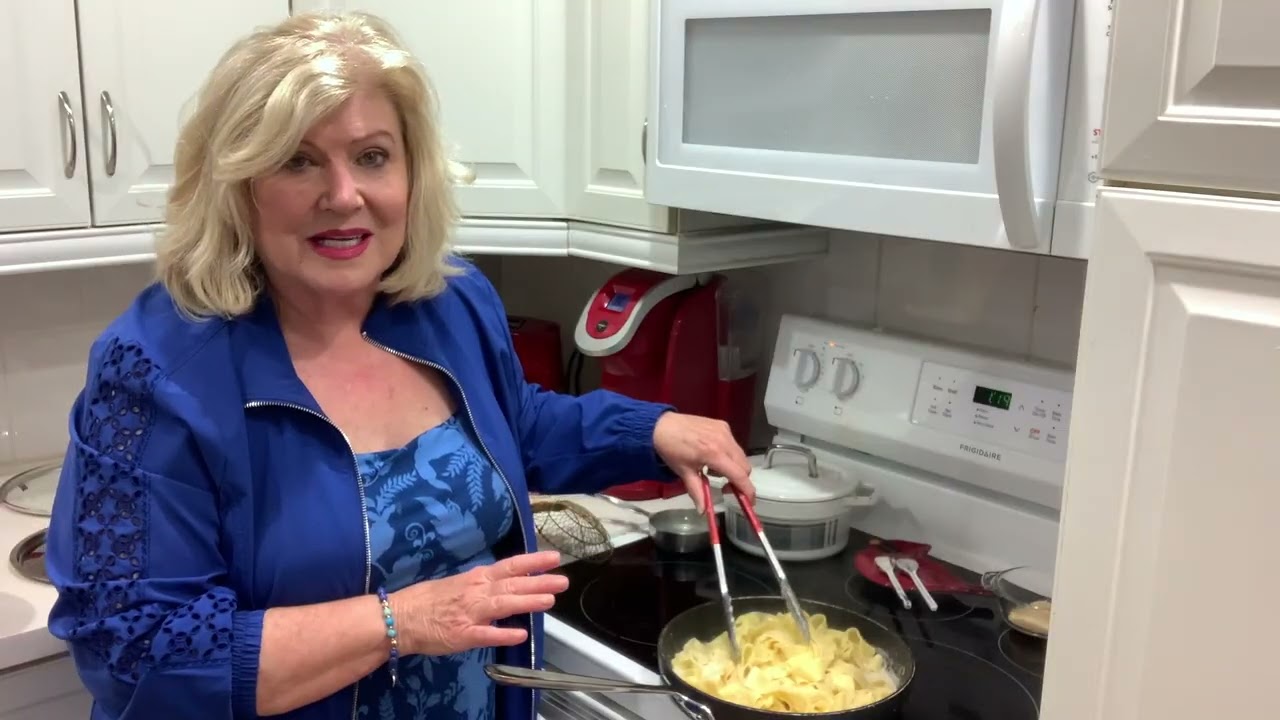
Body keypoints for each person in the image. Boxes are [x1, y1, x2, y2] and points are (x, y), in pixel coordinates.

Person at [43, 11, 755, 720]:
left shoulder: (449, 301)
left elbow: (513, 425)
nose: (344, 194)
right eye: (298, 159)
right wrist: (402, 621)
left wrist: (651, 429)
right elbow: (134, 653)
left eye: (373, 156)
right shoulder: (154, 371)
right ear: (237, 183)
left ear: (412, 172)